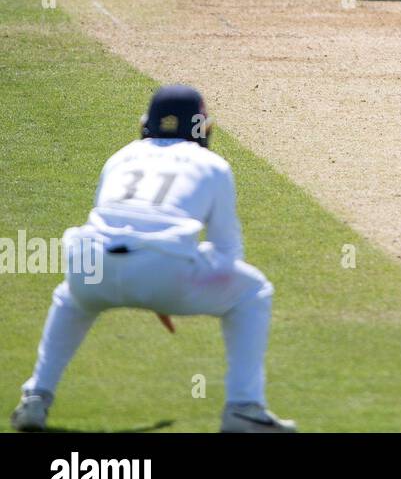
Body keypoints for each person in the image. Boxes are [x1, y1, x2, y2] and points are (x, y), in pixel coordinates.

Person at [10, 86, 296, 433]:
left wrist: (152, 277)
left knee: (70, 297)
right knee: (253, 291)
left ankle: (36, 398)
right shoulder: (212, 165)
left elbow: (115, 226)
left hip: (91, 263)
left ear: (147, 124)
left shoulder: (122, 155)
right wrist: (170, 283)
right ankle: (244, 408)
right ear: (202, 127)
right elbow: (228, 253)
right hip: (166, 270)